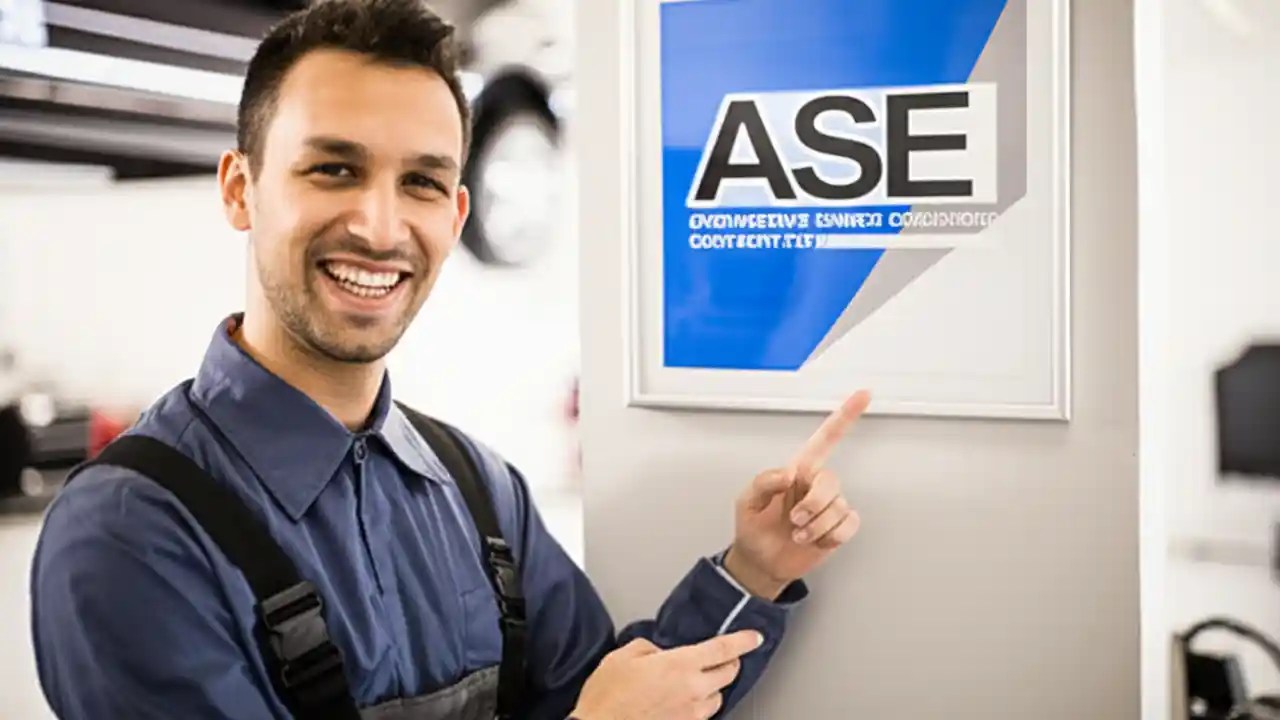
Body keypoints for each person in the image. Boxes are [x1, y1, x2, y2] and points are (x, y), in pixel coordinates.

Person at [28, 1, 868, 718]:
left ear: (457, 213)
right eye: (333, 169)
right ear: (240, 189)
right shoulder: (131, 533)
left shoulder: (479, 491)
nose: (380, 226)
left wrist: (753, 571)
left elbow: (613, 694)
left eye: (422, 183)